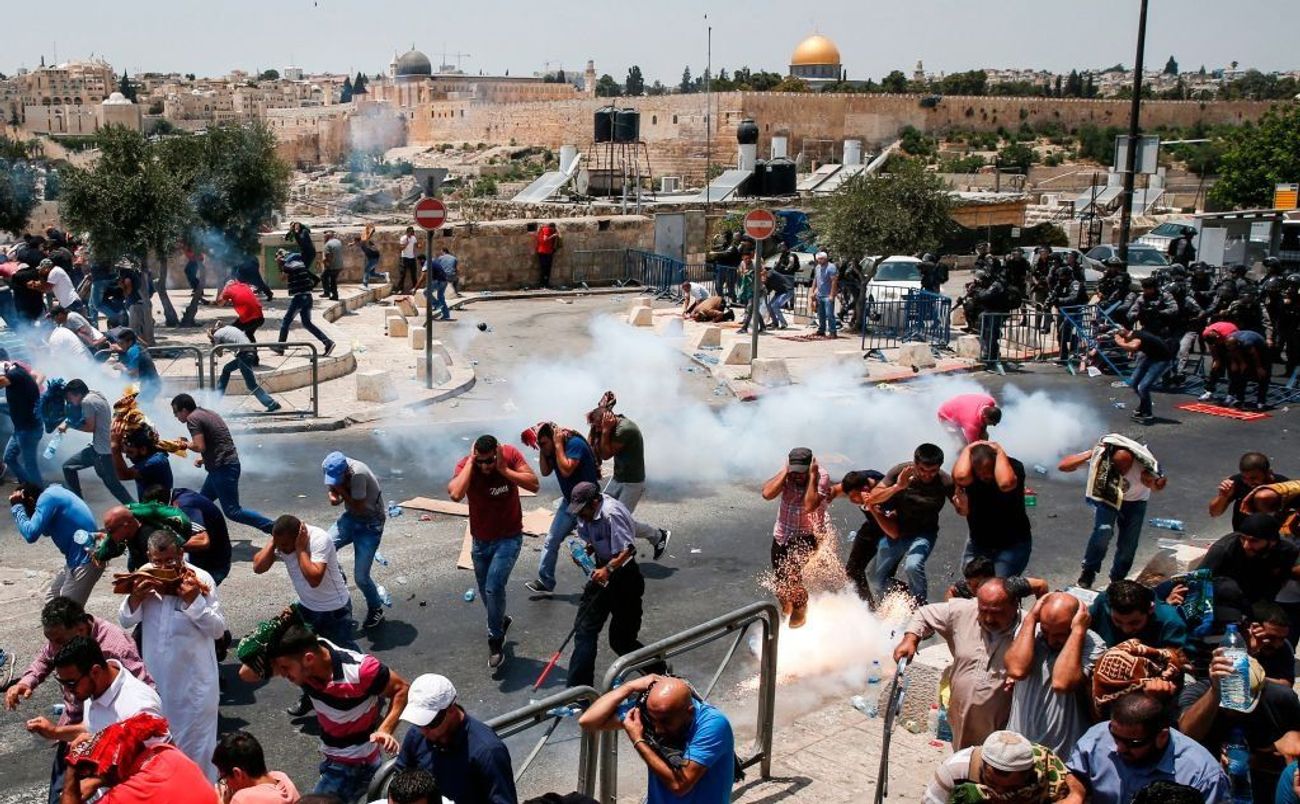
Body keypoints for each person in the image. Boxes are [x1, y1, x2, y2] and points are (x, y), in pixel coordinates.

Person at [7, 597, 152, 804]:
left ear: (82, 630)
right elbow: (46, 658)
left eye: (72, 683)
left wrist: (99, 778)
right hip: (75, 731)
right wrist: (27, 681)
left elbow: (144, 701)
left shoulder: (116, 649)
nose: (54, 648)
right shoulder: (61, 641)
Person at [257, 622, 409, 800]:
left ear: (308, 659)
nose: (281, 674)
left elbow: (402, 689)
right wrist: (274, 627)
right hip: (333, 758)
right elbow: (246, 674)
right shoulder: (310, 653)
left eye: (285, 668)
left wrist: (386, 729)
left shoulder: (360, 670)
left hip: (353, 766)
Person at [118, 530, 226, 780]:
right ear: (149, 556)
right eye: (158, 562)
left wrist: (194, 602)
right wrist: (135, 597)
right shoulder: (145, 574)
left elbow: (218, 629)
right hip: (158, 689)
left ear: (181, 554)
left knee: (198, 758)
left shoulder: (201, 579)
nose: (164, 567)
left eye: (170, 561)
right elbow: (125, 619)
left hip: (194, 692)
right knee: (160, 756)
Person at [893, 579, 1021, 749]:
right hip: (961, 721)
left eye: (997, 612)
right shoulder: (965, 610)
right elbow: (924, 613)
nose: (989, 618)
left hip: (1003, 731)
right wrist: (910, 639)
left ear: (1015, 606)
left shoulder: (1027, 627)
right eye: (984, 611)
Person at [564, 481, 668, 687]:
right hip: (602, 573)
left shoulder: (612, 514)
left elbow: (627, 550)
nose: (580, 515)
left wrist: (608, 570)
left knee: (620, 640)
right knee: (584, 630)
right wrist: (586, 552)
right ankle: (578, 692)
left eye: (582, 510)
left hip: (624, 578)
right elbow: (593, 539)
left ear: (594, 502)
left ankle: (661, 673)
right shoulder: (585, 515)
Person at [449, 434, 540, 670]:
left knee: (494, 587)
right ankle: (500, 620)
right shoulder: (467, 465)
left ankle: (495, 640)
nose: (485, 466)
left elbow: (534, 484)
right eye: (481, 461)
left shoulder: (509, 456)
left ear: (497, 454)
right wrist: (471, 463)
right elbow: (455, 494)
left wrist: (504, 470)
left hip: (508, 538)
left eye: (489, 461)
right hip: (480, 542)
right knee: (485, 592)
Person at [580, 674, 736, 804]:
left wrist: (638, 739)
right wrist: (629, 687)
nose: (657, 729)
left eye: (665, 722)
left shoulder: (713, 725)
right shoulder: (653, 713)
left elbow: (679, 785)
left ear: (689, 712)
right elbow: (588, 721)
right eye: (653, 720)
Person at [1067, 691, 1230, 804]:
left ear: (1162, 737)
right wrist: (1076, 794)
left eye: (1133, 743)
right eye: (1115, 738)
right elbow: (1077, 772)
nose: (1119, 748)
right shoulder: (1097, 738)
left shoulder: (1202, 775)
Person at [1177, 650, 1300, 796]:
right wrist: (1215, 692)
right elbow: (1186, 734)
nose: (1234, 710)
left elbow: (1293, 748)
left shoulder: (1281, 699)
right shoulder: (1197, 693)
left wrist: (1276, 749)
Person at [1005, 593, 1107, 757]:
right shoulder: (1031, 631)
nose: (1051, 640)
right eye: (1046, 631)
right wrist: (1030, 619)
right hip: (1019, 745)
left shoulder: (1092, 645)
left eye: (1060, 635)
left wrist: (1078, 632)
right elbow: (1017, 670)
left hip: (1062, 753)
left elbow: (1062, 683)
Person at [1058, 436, 1166, 589]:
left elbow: (1160, 485)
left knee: (1128, 544)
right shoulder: (1104, 458)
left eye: (1124, 469)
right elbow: (1063, 466)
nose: (1120, 474)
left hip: (1135, 502)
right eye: (1117, 469)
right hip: (1109, 499)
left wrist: (1152, 482)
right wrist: (1090, 454)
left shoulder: (1144, 461)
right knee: (1103, 531)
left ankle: (1118, 579)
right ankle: (1089, 571)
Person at [394, 674, 518, 804]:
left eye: (430, 722)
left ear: (451, 710)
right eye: (419, 723)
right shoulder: (416, 734)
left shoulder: (488, 751)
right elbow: (401, 779)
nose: (424, 730)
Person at [867, 443, 963, 603]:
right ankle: (903, 598)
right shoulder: (900, 471)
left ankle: (919, 607)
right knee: (876, 580)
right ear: (915, 464)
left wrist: (962, 500)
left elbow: (962, 510)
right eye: (922, 470)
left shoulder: (944, 481)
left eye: (932, 471)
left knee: (913, 565)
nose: (927, 475)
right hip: (897, 530)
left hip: (924, 533)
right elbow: (873, 498)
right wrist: (898, 486)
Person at [253, 514, 359, 650]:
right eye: (278, 545)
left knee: (345, 653)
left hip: (333, 609)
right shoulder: (281, 541)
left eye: (284, 545)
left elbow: (314, 580)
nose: (282, 550)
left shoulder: (319, 539)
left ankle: (373, 671)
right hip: (306, 606)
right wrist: (273, 543)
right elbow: (258, 568)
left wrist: (301, 550)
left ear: (298, 537)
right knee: (299, 650)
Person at [172, 394, 275, 534]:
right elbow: (218, 441)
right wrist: (204, 459)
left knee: (233, 511)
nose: (175, 417)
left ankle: (274, 528)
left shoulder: (192, 419)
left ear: (184, 410)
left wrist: (185, 444)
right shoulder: (207, 413)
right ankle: (201, 534)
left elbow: (200, 447)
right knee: (201, 502)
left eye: (176, 412)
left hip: (223, 469)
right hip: (222, 466)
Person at [62, 712, 215, 804]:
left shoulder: (128, 793)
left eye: (99, 768)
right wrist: (98, 781)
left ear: (114, 768)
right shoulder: (165, 752)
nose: (98, 773)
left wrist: (72, 767)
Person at [523, 422, 600, 595]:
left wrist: (557, 445)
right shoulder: (549, 449)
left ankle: (602, 580)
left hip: (588, 503)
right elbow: (544, 471)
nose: (541, 448)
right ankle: (546, 581)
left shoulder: (573, 444)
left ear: (554, 438)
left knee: (595, 542)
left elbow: (566, 470)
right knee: (552, 539)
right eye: (539, 445)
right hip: (569, 503)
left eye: (543, 443)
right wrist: (544, 449)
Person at [589, 401, 671, 559]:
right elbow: (594, 447)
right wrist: (603, 415)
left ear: (607, 421)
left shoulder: (625, 429)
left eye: (599, 427)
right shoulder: (611, 424)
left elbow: (605, 454)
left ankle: (657, 536)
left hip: (632, 483)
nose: (598, 431)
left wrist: (605, 432)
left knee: (619, 521)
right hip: (618, 478)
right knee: (600, 512)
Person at [760, 448, 831, 628]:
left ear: (810, 467)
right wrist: (785, 472)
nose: (797, 476)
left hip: (807, 536)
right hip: (782, 535)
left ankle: (800, 614)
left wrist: (812, 477)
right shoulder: (788, 474)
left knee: (792, 578)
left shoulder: (820, 476)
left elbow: (809, 505)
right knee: (781, 584)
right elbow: (767, 494)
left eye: (802, 472)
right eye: (794, 471)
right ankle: (788, 612)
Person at [52, 635, 165, 745]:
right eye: (62, 683)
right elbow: (91, 727)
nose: (67, 690)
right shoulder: (93, 689)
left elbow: (164, 760)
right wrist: (53, 732)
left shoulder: (139, 708)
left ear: (95, 672)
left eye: (71, 683)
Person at [322, 450, 388, 630]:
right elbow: (332, 491)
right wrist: (334, 495)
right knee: (322, 547)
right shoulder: (330, 465)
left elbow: (359, 507)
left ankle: (376, 608)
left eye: (339, 478)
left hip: (370, 523)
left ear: (345, 472)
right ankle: (338, 579)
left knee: (361, 577)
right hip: (351, 517)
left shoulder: (357, 474)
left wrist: (341, 490)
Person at [922, 729, 1077, 804]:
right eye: (993, 784)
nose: (1000, 792)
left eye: (1012, 788)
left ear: (1028, 772)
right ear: (982, 766)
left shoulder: (1044, 766)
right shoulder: (953, 772)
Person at [9, 483, 101, 604]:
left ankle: (93, 624)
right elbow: (46, 531)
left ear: (31, 501)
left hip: (86, 558)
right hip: (76, 558)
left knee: (66, 613)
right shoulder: (54, 494)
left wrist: (17, 507)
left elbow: (30, 534)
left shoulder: (47, 498)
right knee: (52, 600)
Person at [952, 440, 1032, 577]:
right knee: (971, 586)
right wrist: (968, 449)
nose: (984, 475)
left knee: (999, 589)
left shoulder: (1013, 467)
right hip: (979, 541)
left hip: (1012, 543)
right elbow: (960, 477)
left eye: (988, 470)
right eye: (980, 472)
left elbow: (1006, 484)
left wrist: (1000, 451)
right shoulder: (969, 474)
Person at [1197, 513, 1298, 607]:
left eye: (1253, 541)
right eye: (1243, 538)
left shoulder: (1287, 551)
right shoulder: (1224, 549)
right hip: (1225, 595)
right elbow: (1198, 579)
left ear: (1272, 542)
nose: (1246, 545)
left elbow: (1278, 581)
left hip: (1261, 596)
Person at [59, 379, 134, 504]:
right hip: (98, 447)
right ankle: (78, 503)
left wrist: (70, 425)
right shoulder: (94, 394)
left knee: (114, 486)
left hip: (102, 452)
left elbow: (90, 427)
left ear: (77, 394)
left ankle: (138, 511)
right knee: (68, 466)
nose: (69, 401)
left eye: (69, 397)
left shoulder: (87, 402)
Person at [831, 470, 891, 603]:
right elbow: (835, 489)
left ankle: (903, 602)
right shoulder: (858, 480)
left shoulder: (884, 490)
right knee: (853, 570)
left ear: (865, 489)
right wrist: (825, 497)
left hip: (892, 531)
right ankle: (868, 609)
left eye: (854, 497)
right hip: (872, 527)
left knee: (881, 577)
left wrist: (872, 505)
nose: (852, 501)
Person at [1088, 580, 1189, 651]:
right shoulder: (1102, 604)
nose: (1126, 629)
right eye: (1118, 621)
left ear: (1151, 609)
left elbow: (1176, 661)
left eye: (1134, 622)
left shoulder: (1170, 623)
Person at [209, 322, 281, 412]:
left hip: (244, 355)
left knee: (251, 384)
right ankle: (217, 398)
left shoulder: (216, 335)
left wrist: (213, 342)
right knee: (226, 369)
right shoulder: (229, 328)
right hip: (248, 352)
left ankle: (272, 403)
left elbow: (219, 354)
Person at [212, 730, 300, 804]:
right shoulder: (281, 777)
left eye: (224, 778)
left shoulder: (243, 799)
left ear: (237, 773)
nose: (225, 784)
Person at [275, 252, 335, 357]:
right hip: (308, 297)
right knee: (307, 323)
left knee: (286, 321)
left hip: (299, 298)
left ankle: (280, 347)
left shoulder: (290, 265)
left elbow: (282, 278)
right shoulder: (300, 264)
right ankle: (327, 342)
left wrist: (279, 264)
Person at [1209, 451, 1288, 531]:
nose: (1248, 482)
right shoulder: (1236, 483)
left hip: (1275, 536)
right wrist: (1223, 496)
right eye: (1244, 478)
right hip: (1244, 536)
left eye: (1253, 478)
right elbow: (1215, 513)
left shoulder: (1284, 486)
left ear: (1269, 472)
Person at [1113, 327, 1175, 424]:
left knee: (1143, 387)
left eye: (1125, 340)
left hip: (1162, 360)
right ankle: (1143, 406)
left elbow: (1133, 346)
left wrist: (1119, 342)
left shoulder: (1137, 337)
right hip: (1151, 357)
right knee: (1134, 383)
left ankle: (1147, 413)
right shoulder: (1132, 334)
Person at [2, 356, 45, 485]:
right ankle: (28, 485)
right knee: (9, 458)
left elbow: (1, 381)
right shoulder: (17, 370)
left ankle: (38, 492)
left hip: (29, 429)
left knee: (30, 465)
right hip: (21, 428)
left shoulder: (15, 374)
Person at [110, 428, 175, 502]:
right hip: (150, 507)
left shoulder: (155, 462)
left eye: (130, 452)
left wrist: (114, 447)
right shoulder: (152, 454)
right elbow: (123, 448)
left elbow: (123, 475)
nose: (127, 456)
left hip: (157, 510)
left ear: (143, 449)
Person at [946, 557, 1049, 602]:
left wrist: (1038, 617)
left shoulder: (1008, 587)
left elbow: (1041, 585)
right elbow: (952, 590)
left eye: (977, 585)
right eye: (969, 584)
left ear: (991, 579)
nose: (973, 590)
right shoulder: (966, 587)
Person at [215, 279, 266, 363]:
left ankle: (242, 356)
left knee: (230, 332)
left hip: (249, 318)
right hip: (259, 317)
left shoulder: (229, 289)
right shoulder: (244, 285)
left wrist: (225, 287)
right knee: (248, 334)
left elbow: (220, 303)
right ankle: (254, 359)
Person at [1246, 601, 1296, 685]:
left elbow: (1287, 684)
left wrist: (1258, 679)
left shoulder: (1285, 646)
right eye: (1271, 637)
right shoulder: (1235, 643)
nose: (1277, 645)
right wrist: (1249, 650)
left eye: (1282, 638)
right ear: (1254, 628)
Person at [110, 328, 161, 404]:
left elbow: (134, 374)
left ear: (129, 342)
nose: (120, 346)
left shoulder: (132, 351)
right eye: (119, 344)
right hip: (151, 384)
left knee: (142, 407)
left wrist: (121, 368)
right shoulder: (137, 346)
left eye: (122, 343)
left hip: (151, 385)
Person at [1225, 328, 1272, 410]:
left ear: (1237, 344)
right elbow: (1231, 351)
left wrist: (1259, 368)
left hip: (1261, 351)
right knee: (1241, 375)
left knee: (1263, 376)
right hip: (1244, 346)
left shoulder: (1247, 343)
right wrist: (1235, 363)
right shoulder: (1229, 340)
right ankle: (1240, 399)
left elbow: (1255, 355)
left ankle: (1261, 402)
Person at [936, 393, 1002, 445]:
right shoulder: (971, 425)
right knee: (962, 443)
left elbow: (983, 434)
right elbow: (973, 446)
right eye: (993, 422)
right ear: (985, 417)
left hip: (960, 405)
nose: (994, 425)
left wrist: (983, 433)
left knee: (983, 435)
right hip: (946, 415)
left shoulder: (990, 401)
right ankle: (959, 458)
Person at [812, 251, 838, 338]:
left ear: (826, 258)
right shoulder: (817, 267)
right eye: (818, 259)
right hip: (819, 294)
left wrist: (832, 295)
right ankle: (821, 330)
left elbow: (834, 281)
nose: (820, 261)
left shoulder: (831, 267)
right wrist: (813, 291)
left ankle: (832, 331)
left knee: (829, 314)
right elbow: (816, 279)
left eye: (821, 259)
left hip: (827, 295)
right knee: (821, 314)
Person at [424, 251, 452, 321]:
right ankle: (446, 315)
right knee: (441, 297)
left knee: (426, 292)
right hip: (444, 281)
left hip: (439, 281)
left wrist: (416, 287)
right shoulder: (435, 262)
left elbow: (424, 275)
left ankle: (437, 304)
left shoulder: (427, 263)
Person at [320, 230, 344, 301]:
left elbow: (329, 257)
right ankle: (330, 293)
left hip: (332, 266)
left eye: (324, 237)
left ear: (327, 237)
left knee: (324, 277)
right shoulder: (338, 241)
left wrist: (325, 263)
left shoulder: (327, 245)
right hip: (340, 265)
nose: (324, 239)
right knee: (332, 280)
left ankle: (331, 294)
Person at [535, 222, 558, 289]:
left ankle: (545, 284)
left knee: (546, 269)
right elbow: (545, 239)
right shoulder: (547, 230)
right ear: (552, 227)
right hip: (544, 252)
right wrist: (553, 236)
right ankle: (543, 284)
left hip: (547, 252)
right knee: (544, 269)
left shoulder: (546, 229)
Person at [397, 227, 419, 293]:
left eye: (413, 232)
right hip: (404, 258)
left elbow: (416, 245)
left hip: (412, 257)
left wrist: (418, 245)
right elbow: (400, 249)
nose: (412, 233)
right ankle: (400, 289)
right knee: (402, 274)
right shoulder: (403, 238)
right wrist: (406, 243)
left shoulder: (413, 238)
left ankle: (415, 288)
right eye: (411, 232)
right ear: (408, 232)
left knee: (414, 274)